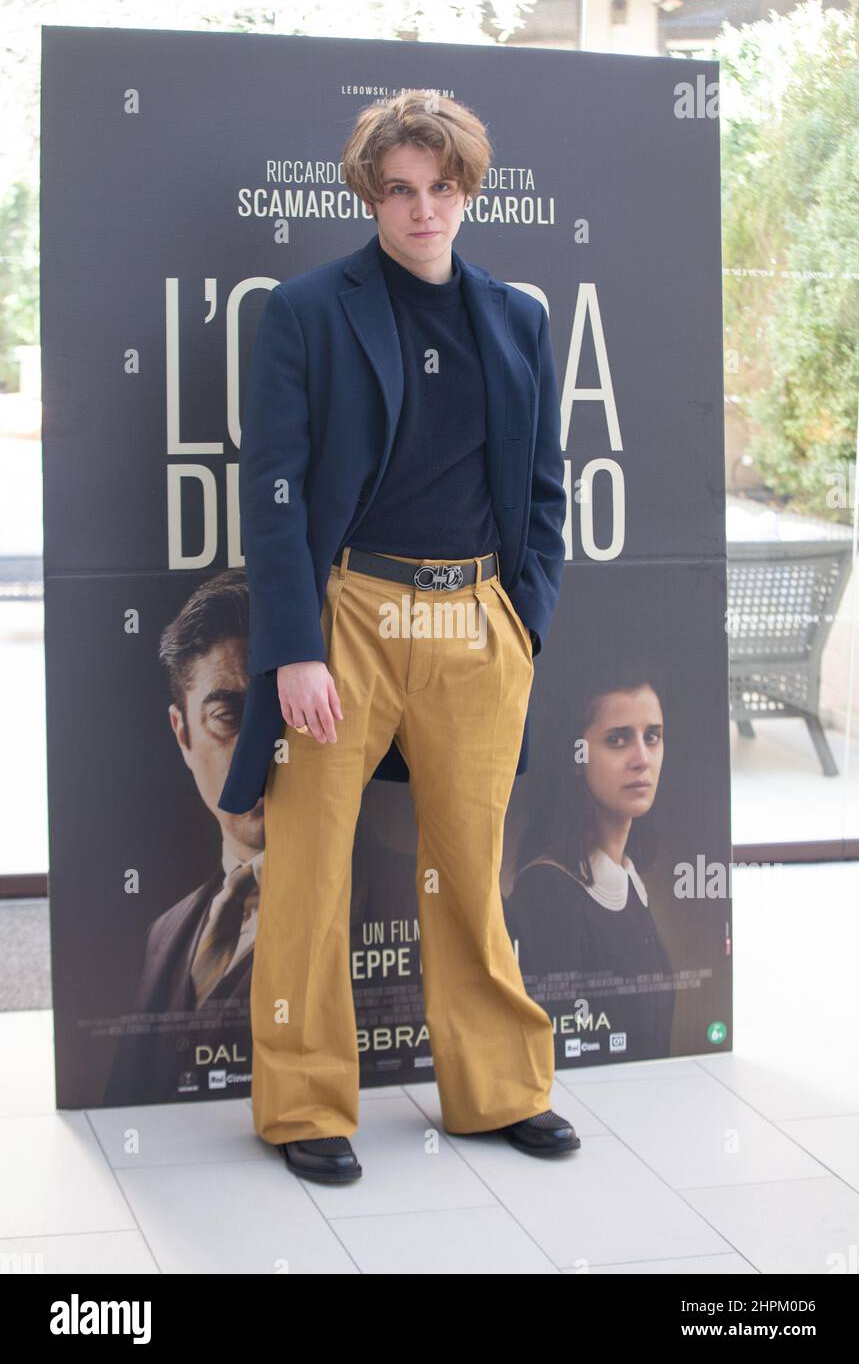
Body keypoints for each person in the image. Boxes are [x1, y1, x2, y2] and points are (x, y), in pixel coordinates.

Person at [220, 90, 578, 1184]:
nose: (423, 210)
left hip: (476, 621)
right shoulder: (307, 310)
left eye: (441, 188)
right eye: (400, 190)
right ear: (371, 193)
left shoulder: (514, 316)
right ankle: (302, 1106)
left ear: (469, 190)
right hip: (350, 615)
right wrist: (291, 648)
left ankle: (498, 1091)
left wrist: (520, 626)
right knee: (308, 875)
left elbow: (541, 487)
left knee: (469, 872)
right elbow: (272, 491)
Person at [504, 662, 676, 1062]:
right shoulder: (547, 894)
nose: (642, 758)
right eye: (618, 740)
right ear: (576, 756)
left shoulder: (629, 883)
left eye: (653, 737)